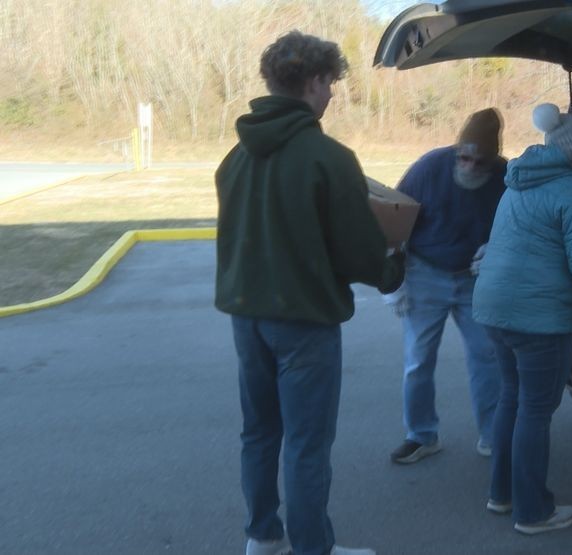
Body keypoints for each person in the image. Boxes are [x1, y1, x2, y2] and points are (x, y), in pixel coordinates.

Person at [215, 30, 403, 555]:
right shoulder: (328, 157)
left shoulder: (235, 157)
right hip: (303, 323)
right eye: (330, 83)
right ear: (314, 82)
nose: (332, 94)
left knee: (259, 433)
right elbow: (359, 251)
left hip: (246, 318)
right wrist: (392, 269)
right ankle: (312, 548)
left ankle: (262, 537)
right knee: (306, 445)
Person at [472, 103, 572, 535]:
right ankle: (533, 512)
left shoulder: (519, 182)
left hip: (493, 309)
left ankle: (502, 493)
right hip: (538, 319)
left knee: (512, 397)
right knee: (535, 410)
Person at [384, 109, 507, 464]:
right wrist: (392, 281)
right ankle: (421, 435)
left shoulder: (505, 177)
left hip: (475, 278)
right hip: (425, 273)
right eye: (464, 158)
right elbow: (394, 219)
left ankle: (493, 434)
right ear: (456, 151)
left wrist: (497, 249)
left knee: (487, 356)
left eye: (479, 162)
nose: (469, 167)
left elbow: (518, 223)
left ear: (493, 159)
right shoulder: (429, 169)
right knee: (418, 358)